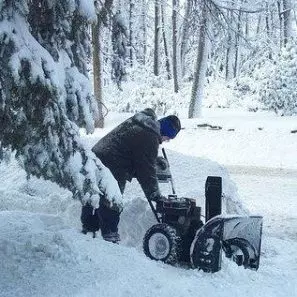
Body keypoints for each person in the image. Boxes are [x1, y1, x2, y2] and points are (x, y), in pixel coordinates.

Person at [81, 108, 181, 243]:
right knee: (113, 198)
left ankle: (88, 228)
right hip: (112, 162)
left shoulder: (142, 124)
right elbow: (145, 171)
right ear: (165, 132)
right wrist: (155, 195)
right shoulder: (150, 137)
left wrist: (154, 160)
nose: (165, 141)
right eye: (168, 138)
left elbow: (135, 150)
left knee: (95, 194)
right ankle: (110, 236)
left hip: (99, 155)